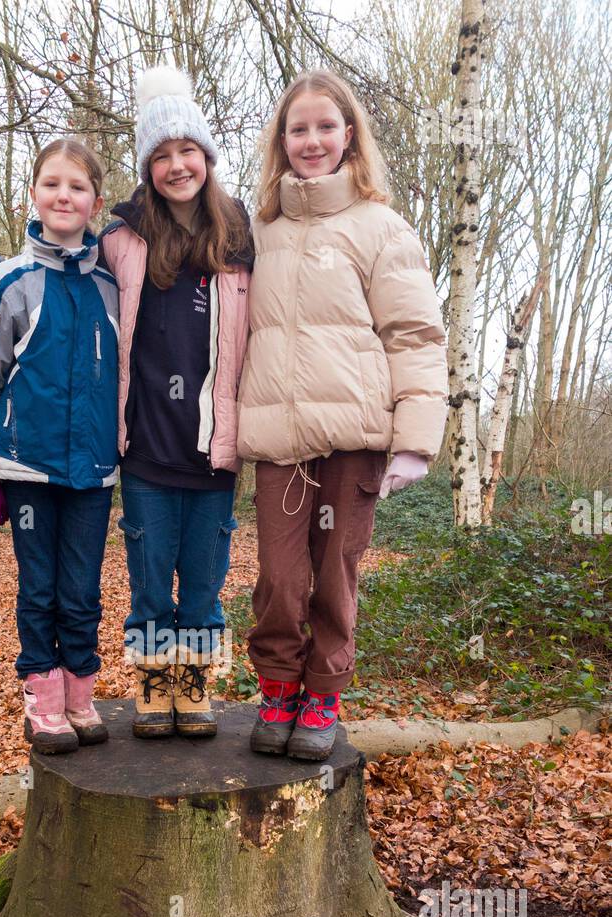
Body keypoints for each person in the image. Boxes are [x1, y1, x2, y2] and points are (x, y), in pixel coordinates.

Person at [0, 67, 253, 740]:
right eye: (161, 155)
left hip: (216, 446)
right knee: (149, 583)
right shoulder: (120, 241)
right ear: (146, 169)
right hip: (143, 449)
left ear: (206, 159)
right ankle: (153, 694)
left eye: (188, 151)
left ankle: (193, 692)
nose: (177, 165)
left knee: (205, 585)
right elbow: (52, 257)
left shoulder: (240, 244)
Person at [237, 69, 447, 759]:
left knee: (334, 574)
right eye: (298, 129)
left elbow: (413, 334)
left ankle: (322, 697)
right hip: (279, 443)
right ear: (281, 140)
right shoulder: (257, 230)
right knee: (278, 579)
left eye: (325, 127)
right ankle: (276, 691)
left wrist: (414, 439)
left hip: (354, 440)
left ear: (348, 136)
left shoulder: (380, 228)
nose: (311, 140)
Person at [0, 138, 119, 754]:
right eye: (52, 183)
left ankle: (81, 694)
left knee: (83, 588)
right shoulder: (11, 282)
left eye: (77, 187)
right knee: (41, 587)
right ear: (33, 193)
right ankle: (43, 702)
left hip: (94, 471)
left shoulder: (108, 286)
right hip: (27, 467)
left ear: (95, 202)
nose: (64, 195)